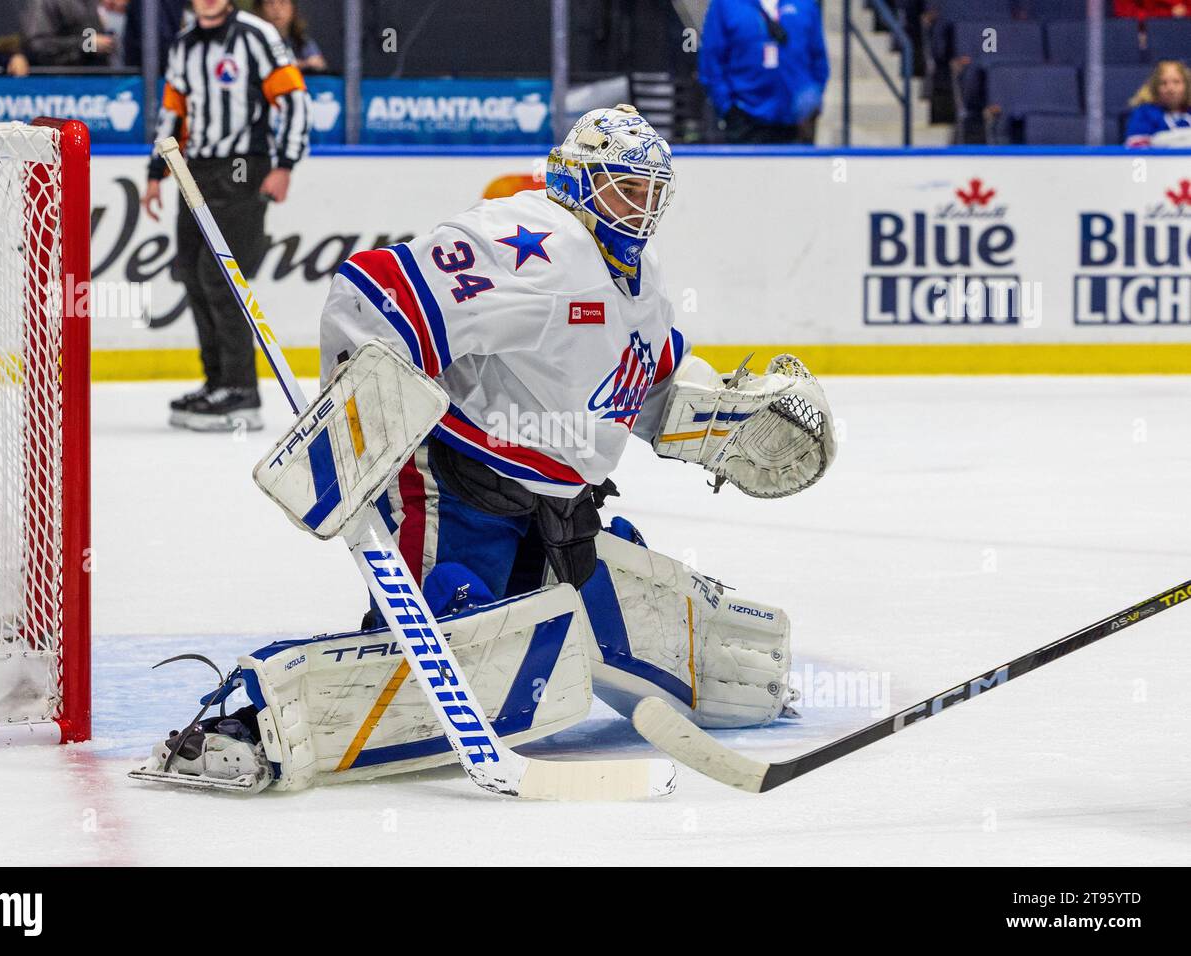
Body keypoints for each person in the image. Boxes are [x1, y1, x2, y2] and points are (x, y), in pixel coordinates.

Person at [138, 105, 837, 789]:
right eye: (625, 188)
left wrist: (725, 422)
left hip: (563, 508)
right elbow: (373, 297)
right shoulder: (533, 238)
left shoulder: (643, 279)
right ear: (574, 181)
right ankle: (250, 728)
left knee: (609, 621)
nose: (640, 210)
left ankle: (726, 682)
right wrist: (353, 425)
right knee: (460, 639)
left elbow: (642, 386)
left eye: (653, 193)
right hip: (461, 488)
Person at [142, 0, 309, 431]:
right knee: (193, 274)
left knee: (222, 276)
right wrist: (156, 172)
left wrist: (285, 165)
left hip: (242, 169)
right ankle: (217, 382)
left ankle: (241, 391)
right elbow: (172, 111)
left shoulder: (256, 35)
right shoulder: (183, 45)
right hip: (193, 168)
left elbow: (293, 100)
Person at [699, 0, 829, 145]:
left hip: (796, 124)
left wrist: (810, 105)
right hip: (745, 121)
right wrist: (728, 109)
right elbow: (711, 63)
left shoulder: (805, 4)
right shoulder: (725, 5)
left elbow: (819, 61)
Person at [22, 0, 125, 67]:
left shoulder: (95, 3)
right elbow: (38, 44)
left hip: (99, 82)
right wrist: (86, 43)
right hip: (63, 84)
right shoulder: (46, 2)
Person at [1125, 60, 1191, 146]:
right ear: (1155, 88)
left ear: (1187, 85)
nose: (1170, 89)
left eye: (1176, 82)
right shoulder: (1144, 113)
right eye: (1163, 83)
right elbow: (1134, 144)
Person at [253, 0, 325, 72]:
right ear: (260, 9)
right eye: (270, 3)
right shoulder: (254, 41)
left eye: (283, 2)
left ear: (293, 8)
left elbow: (318, 64)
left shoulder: (301, 41)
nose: (276, 8)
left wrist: (311, 64)